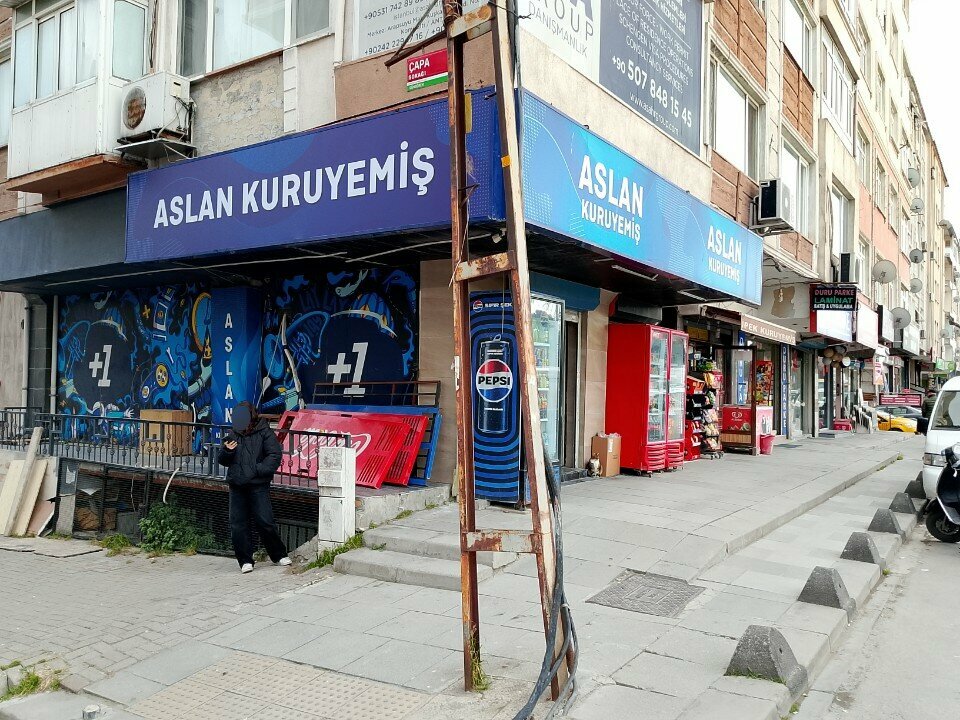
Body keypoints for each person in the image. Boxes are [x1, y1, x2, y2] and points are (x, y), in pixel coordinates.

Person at [218, 401, 291, 573]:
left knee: (265, 521)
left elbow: (274, 455)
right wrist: (227, 451)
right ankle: (245, 560)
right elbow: (222, 459)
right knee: (238, 524)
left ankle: (278, 554)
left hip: (258, 484)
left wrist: (257, 470)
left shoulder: (265, 432)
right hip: (237, 484)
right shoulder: (233, 434)